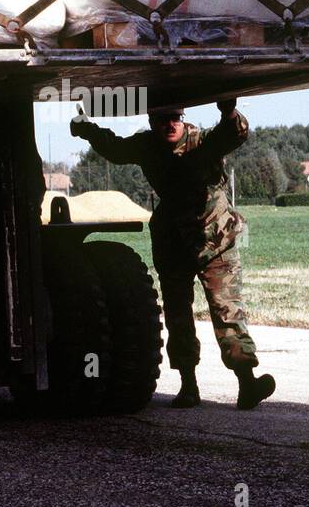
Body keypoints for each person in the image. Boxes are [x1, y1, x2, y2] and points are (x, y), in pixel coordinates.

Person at [70, 98, 276, 410]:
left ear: (183, 118)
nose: (170, 124)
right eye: (163, 119)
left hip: (214, 239)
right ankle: (188, 386)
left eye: (175, 117)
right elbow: (114, 148)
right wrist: (87, 129)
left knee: (227, 309)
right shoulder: (146, 145)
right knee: (179, 315)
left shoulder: (200, 142)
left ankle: (247, 382)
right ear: (152, 122)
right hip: (173, 241)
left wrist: (228, 112)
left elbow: (234, 134)